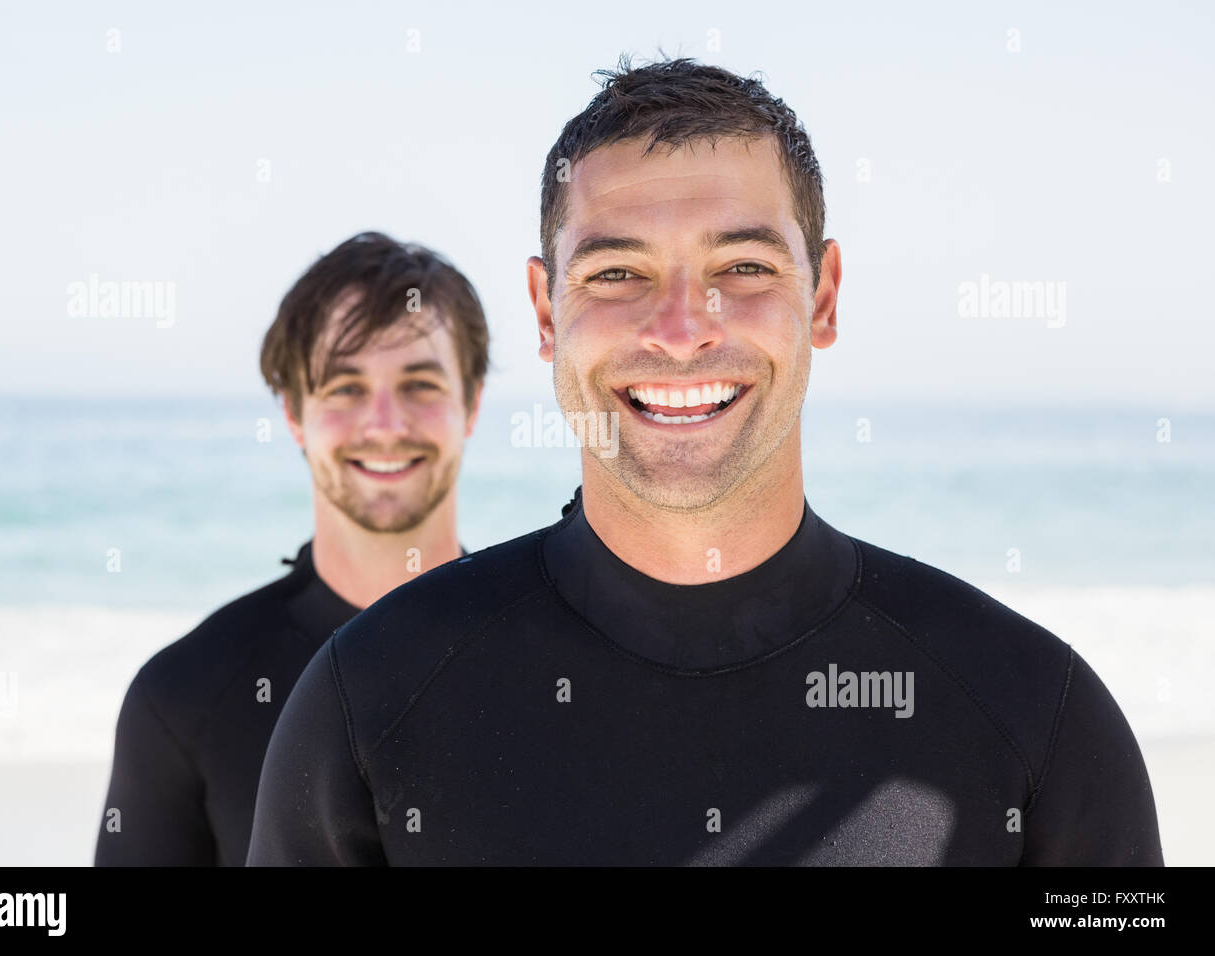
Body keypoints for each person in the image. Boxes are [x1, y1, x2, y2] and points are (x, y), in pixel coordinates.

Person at [246, 59, 1163, 866]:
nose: (683, 329)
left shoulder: (1036, 716)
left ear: (824, 298)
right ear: (545, 311)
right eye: (617, 274)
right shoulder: (367, 704)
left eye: (744, 267)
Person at [95, 231, 489, 865]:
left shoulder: (555, 658)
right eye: (345, 388)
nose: (385, 425)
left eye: (420, 384)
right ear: (294, 414)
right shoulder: (182, 696)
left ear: (470, 404)